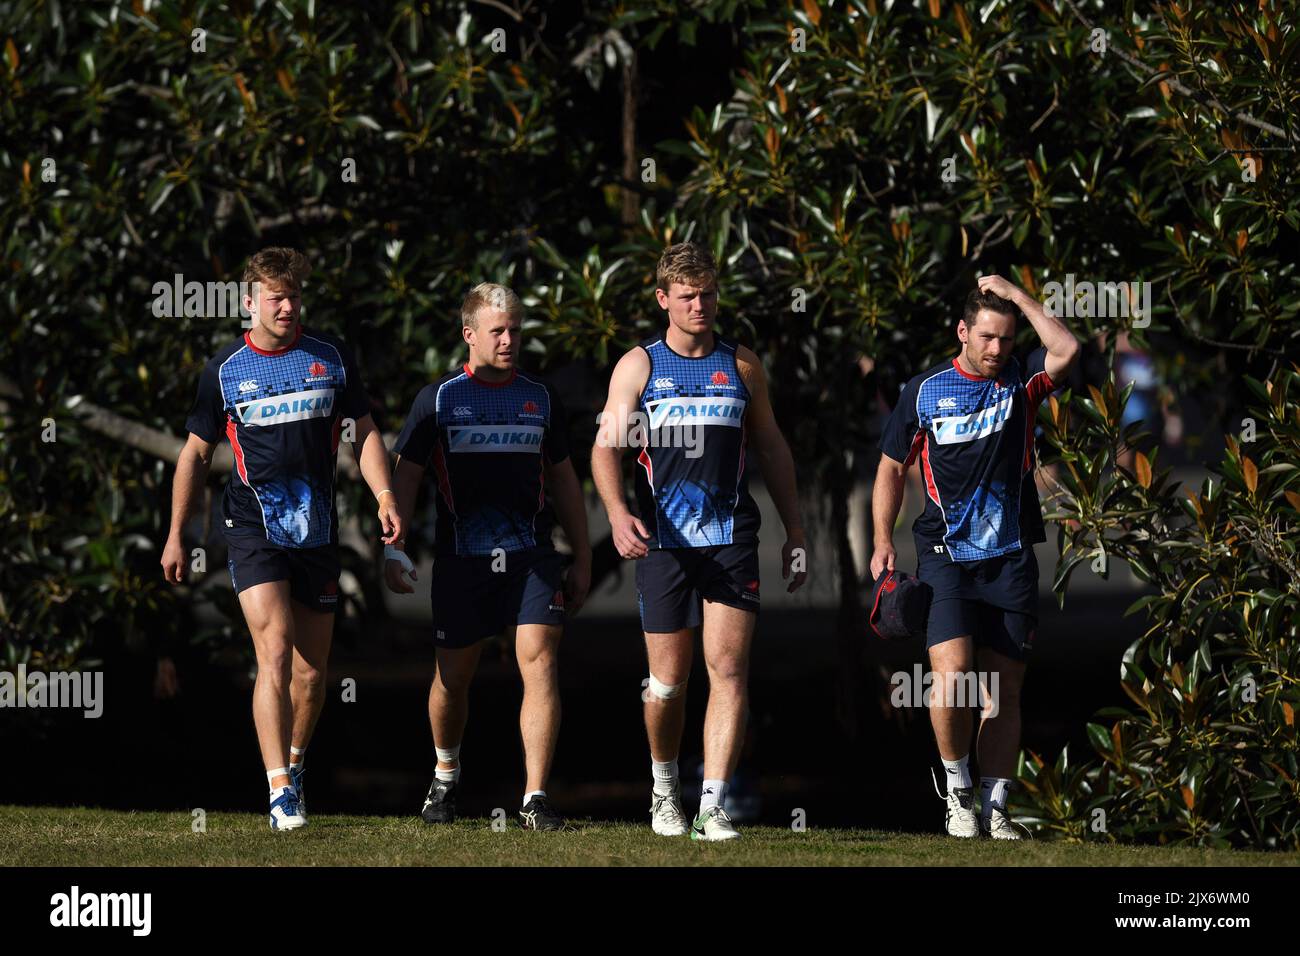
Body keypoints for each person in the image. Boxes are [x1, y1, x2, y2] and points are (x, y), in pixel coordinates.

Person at [162, 247, 402, 830]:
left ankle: (294, 764)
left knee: (311, 674)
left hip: (316, 531)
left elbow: (364, 432)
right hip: (253, 528)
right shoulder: (224, 371)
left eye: (294, 296)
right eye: (277, 298)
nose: (288, 307)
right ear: (250, 303)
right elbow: (194, 455)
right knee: (272, 652)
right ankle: (278, 791)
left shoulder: (331, 357)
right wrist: (176, 535)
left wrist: (384, 495)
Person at [591, 242, 807, 841]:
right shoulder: (640, 366)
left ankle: (712, 805)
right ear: (664, 299)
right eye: (687, 296)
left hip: (731, 540)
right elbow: (606, 448)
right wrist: (616, 513)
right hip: (663, 543)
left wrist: (795, 530)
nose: (700, 305)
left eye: (708, 294)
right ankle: (664, 788)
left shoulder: (742, 365)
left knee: (729, 670)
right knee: (667, 683)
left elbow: (772, 448)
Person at [871, 274, 1079, 839]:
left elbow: (1066, 348)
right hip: (945, 554)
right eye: (986, 336)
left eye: (1006, 339)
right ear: (962, 332)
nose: (996, 349)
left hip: (1010, 554)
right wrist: (883, 539)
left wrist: (1019, 296)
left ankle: (996, 807)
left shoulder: (1021, 380)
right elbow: (891, 468)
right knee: (953, 677)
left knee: (1004, 691)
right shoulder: (924, 390)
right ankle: (958, 792)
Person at [384, 283, 591, 831]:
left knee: (540, 663)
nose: (508, 340)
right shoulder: (438, 399)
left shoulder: (541, 397)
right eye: (497, 331)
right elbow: (406, 476)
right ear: (469, 334)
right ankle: (445, 776)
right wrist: (393, 548)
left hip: (532, 557)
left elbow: (564, 479)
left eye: (515, 330)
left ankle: (535, 798)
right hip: (463, 560)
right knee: (453, 678)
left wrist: (583, 556)